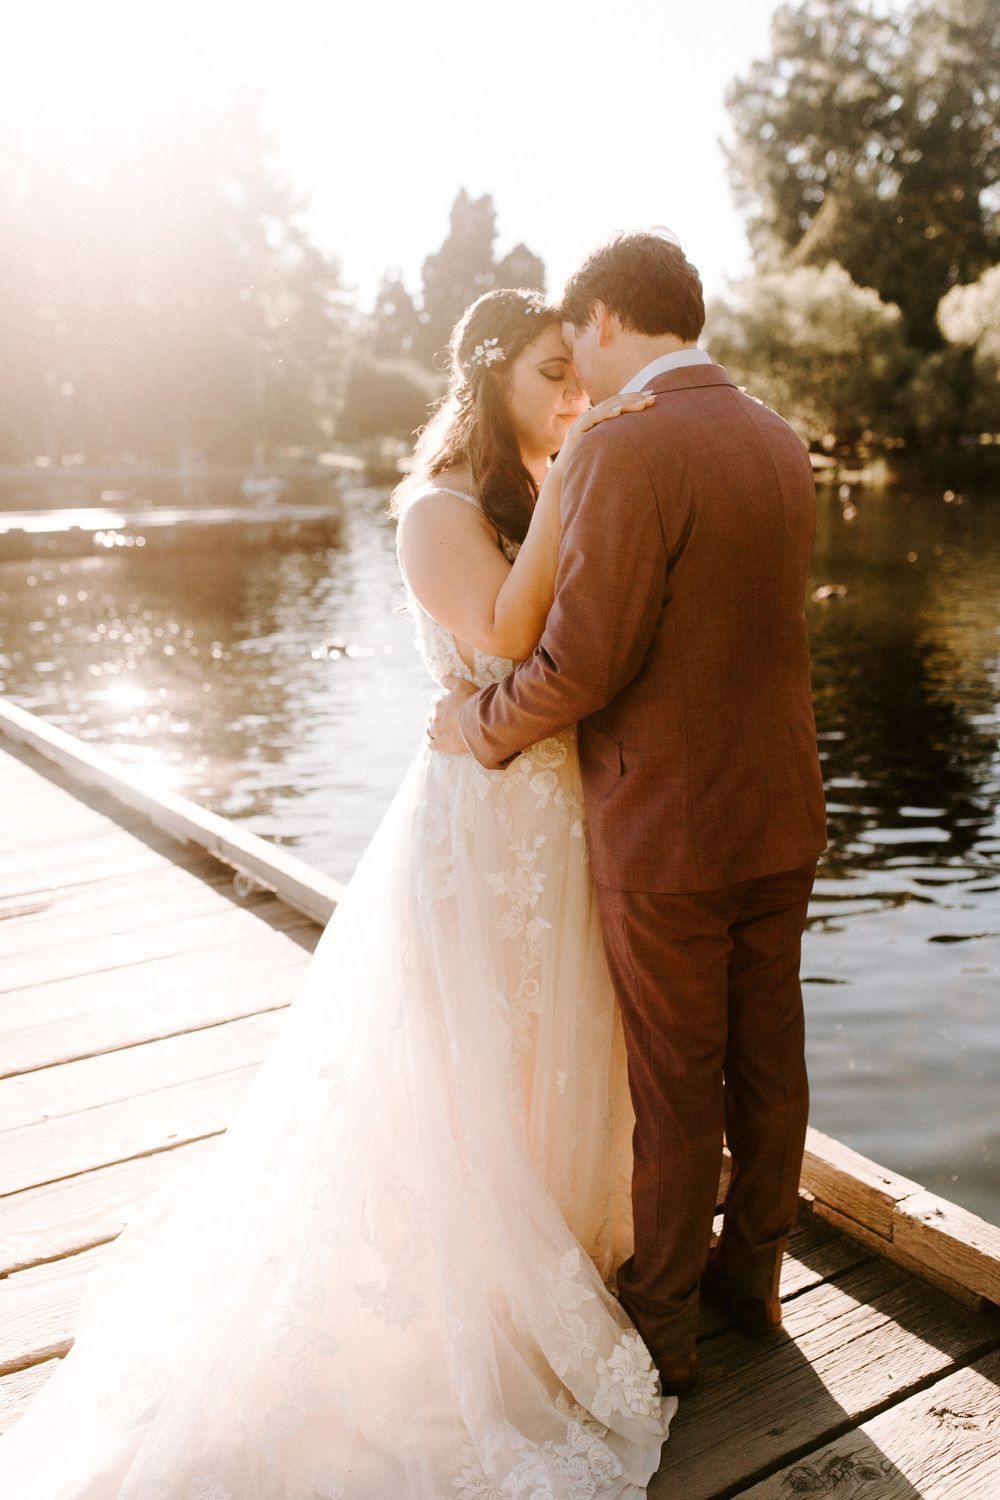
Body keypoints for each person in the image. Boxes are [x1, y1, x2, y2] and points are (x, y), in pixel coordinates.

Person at [0, 287, 675, 1499]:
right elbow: (513, 635)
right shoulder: (436, 510)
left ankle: (566, 1264)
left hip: (567, 820)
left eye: (582, 376)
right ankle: (478, 1296)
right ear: (487, 381)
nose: (576, 397)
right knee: (478, 1048)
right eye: (551, 374)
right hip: (478, 828)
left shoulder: (538, 488)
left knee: (566, 1044)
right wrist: (577, 477)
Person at [430, 231, 828, 1395]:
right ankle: (751, 1280)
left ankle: (660, 1317)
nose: (576, 386)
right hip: (782, 810)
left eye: (576, 350)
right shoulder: (775, 437)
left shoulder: (630, 451)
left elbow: (580, 667)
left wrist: (476, 725)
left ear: (605, 316)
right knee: (769, 1058)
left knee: (671, 1077)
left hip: (668, 826)